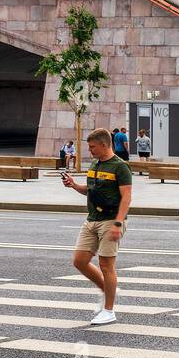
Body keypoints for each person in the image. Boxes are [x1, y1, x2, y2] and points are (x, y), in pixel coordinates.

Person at [63, 128, 132, 326]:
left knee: (106, 265)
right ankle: (107, 289)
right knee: (79, 260)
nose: (90, 150)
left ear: (104, 144)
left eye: (92, 147)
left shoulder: (120, 167)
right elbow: (91, 191)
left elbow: (127, 197)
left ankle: (109, 311)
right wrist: (74, 185)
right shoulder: (94, 164)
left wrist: (118, 223)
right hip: (92, 219)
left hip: (111, 220)